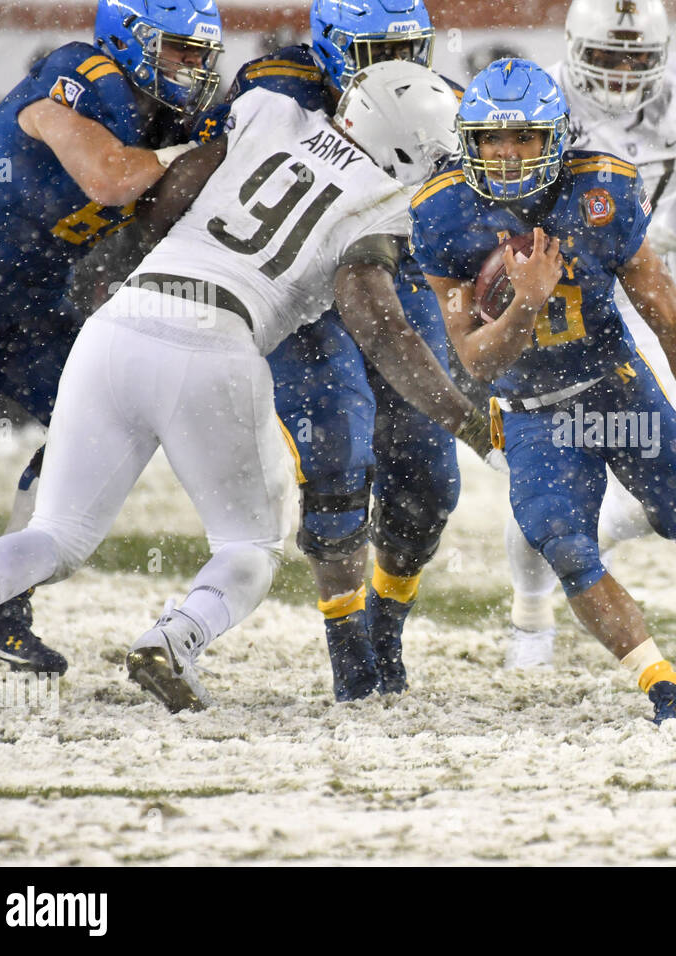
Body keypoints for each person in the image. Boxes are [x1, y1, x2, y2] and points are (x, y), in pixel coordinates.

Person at [0, 62, 490, 714]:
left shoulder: (269, 111)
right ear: (408, 146)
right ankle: (173, 639)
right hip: (215, 341)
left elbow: (169, 200)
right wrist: (467, 421)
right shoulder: (383, 197)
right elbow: (381, 329)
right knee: (249, 548)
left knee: (57, 536)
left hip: (121, 321)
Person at [412, 58, 676, 722]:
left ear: (555, 138)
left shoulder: (602, 190)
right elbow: (476, 362)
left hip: (618, 390)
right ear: (468, 142)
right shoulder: (442, 211)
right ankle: (663, 684)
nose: (506, 156)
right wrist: (525, 307)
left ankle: (632, 517)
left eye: (524, 138)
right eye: (492, 140)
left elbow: (671, 320)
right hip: (534, 413)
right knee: (562, 542)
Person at [186, 0, 467, 701]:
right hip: (304, 291)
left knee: (430, 478)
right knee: (337, 455)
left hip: (395, 278)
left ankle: (386, 628)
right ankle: (350, 654)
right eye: (379, 52)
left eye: (409, 49)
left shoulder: (440, 102)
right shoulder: (275, 91)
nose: (399, 69)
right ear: (334, 49)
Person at [0, 0, 223, 674]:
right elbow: (109, 179)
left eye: (201, 55)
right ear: (131, 41)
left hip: (28, 304)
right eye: (179, 51)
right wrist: (198, 150)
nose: (193, 69)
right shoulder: (80, 73)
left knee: (95, 422)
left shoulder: (173, 116)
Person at [500, 0, 676, 669]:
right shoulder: (540, 104)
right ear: (572, 48)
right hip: (564, 299)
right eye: (607, 58)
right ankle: (531, 622)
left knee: (675, 483)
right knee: (547, 466)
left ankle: (577, 541)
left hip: (645, 294)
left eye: (637, 59)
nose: (624, 75)